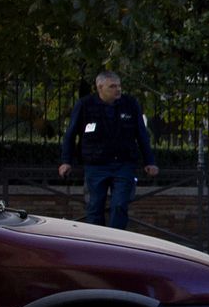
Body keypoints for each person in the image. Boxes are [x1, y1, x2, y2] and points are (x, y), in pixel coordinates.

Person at [58, 70, 158, 229]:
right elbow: (70, 134)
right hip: (96, 165)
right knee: (94, 206)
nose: (117, 89)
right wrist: (66, 161)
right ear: (100, 87)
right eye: (112, 86)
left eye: (119, 86)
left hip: (124, 164)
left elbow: (141, 134)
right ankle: (97, 244)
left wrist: (150, 161)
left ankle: (116, 243)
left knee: (119, 205)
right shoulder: (85, 105)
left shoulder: (130, 104)